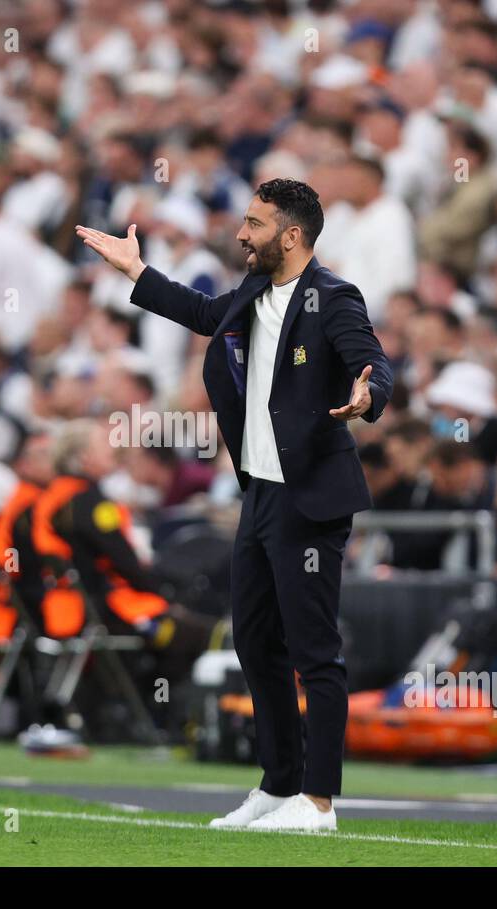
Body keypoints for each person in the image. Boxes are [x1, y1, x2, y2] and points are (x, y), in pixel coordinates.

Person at [76, 178, 393, 831]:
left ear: (292, 235)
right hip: (260, 494)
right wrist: (138, 272)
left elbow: (372, 363)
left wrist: (369, 395)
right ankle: (279, 787)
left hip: (311, 496)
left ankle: (320, 801)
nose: (242, 233)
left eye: (254, 223)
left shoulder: (334, 298)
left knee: (314, 649)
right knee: (252, 640)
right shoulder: (252, 291)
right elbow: (202, 313)